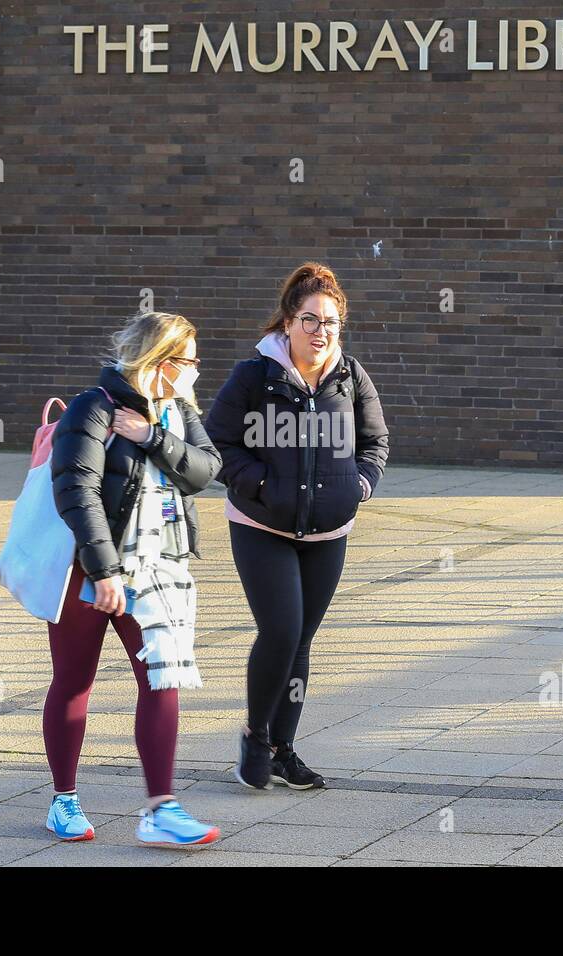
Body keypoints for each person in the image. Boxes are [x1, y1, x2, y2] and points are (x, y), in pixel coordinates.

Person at [205, 262, 390, 791]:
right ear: (288, 321)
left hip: (327, 532)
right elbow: (220, 442)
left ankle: (284, 750)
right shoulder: (254, 375)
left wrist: (359, 486)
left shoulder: (350, 377)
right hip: (262, 526)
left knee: (303, 639)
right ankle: (255, 737)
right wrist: (260, 486)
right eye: (310, 320)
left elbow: (375, 443)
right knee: (281, 630)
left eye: (330, 322)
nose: (320, 331)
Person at [45, 311, 223, 844]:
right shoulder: (92, 407)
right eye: (190, 361)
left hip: (159, 569)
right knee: (75, 680)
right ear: (163, 363)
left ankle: (161, 810)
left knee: (161, 676)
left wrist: (150, 437)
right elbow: (76, 490)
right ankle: (64, 800)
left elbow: (204, 471)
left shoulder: (177, 413)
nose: (196, 371)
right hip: (91, 570)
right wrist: (103, 571)